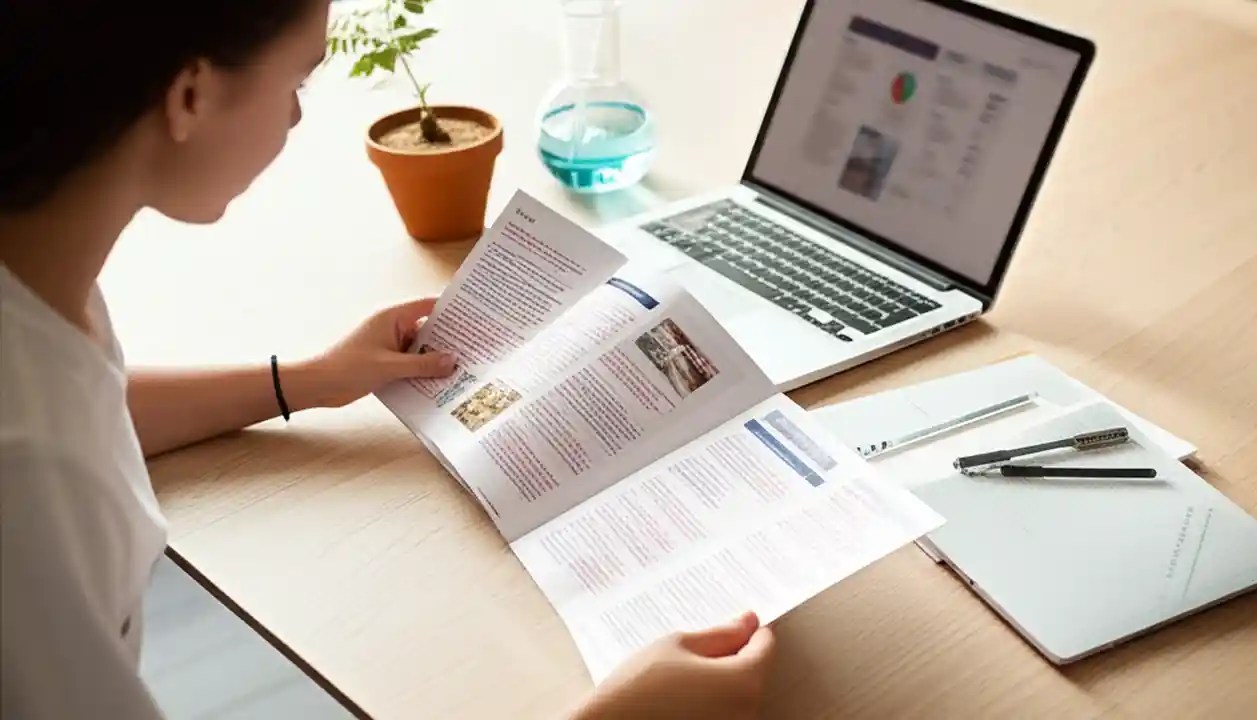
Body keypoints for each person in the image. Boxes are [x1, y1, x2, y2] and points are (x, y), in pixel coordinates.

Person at [0, 1, 776, 718]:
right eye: (299, 79)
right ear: (191, 96)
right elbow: (49, 437)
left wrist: (303, 381)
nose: (299, 114)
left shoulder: (40, 268)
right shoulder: (29, 483)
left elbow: (89, 400)